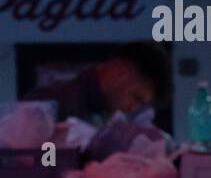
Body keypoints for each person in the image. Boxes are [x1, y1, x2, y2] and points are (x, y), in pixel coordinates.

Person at [22, 41, 170, 124]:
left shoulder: (102, 116)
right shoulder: (50, 103)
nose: (132, 108)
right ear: (121, 73)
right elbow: (37, 167)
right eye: (136, 97)